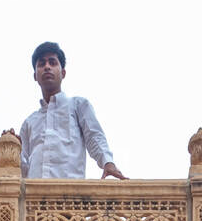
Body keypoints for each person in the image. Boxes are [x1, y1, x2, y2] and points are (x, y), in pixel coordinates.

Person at [19, 42, 125, 180]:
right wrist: (12, 147)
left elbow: (94, 136)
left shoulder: (78, 106)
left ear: (63, 73)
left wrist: (107, 162)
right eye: (41, 64)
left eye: (52, 62)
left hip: (70, 196)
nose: (47, 67)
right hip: (34, 198)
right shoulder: (29, 122)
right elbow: (23, 170)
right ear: (35, 76)